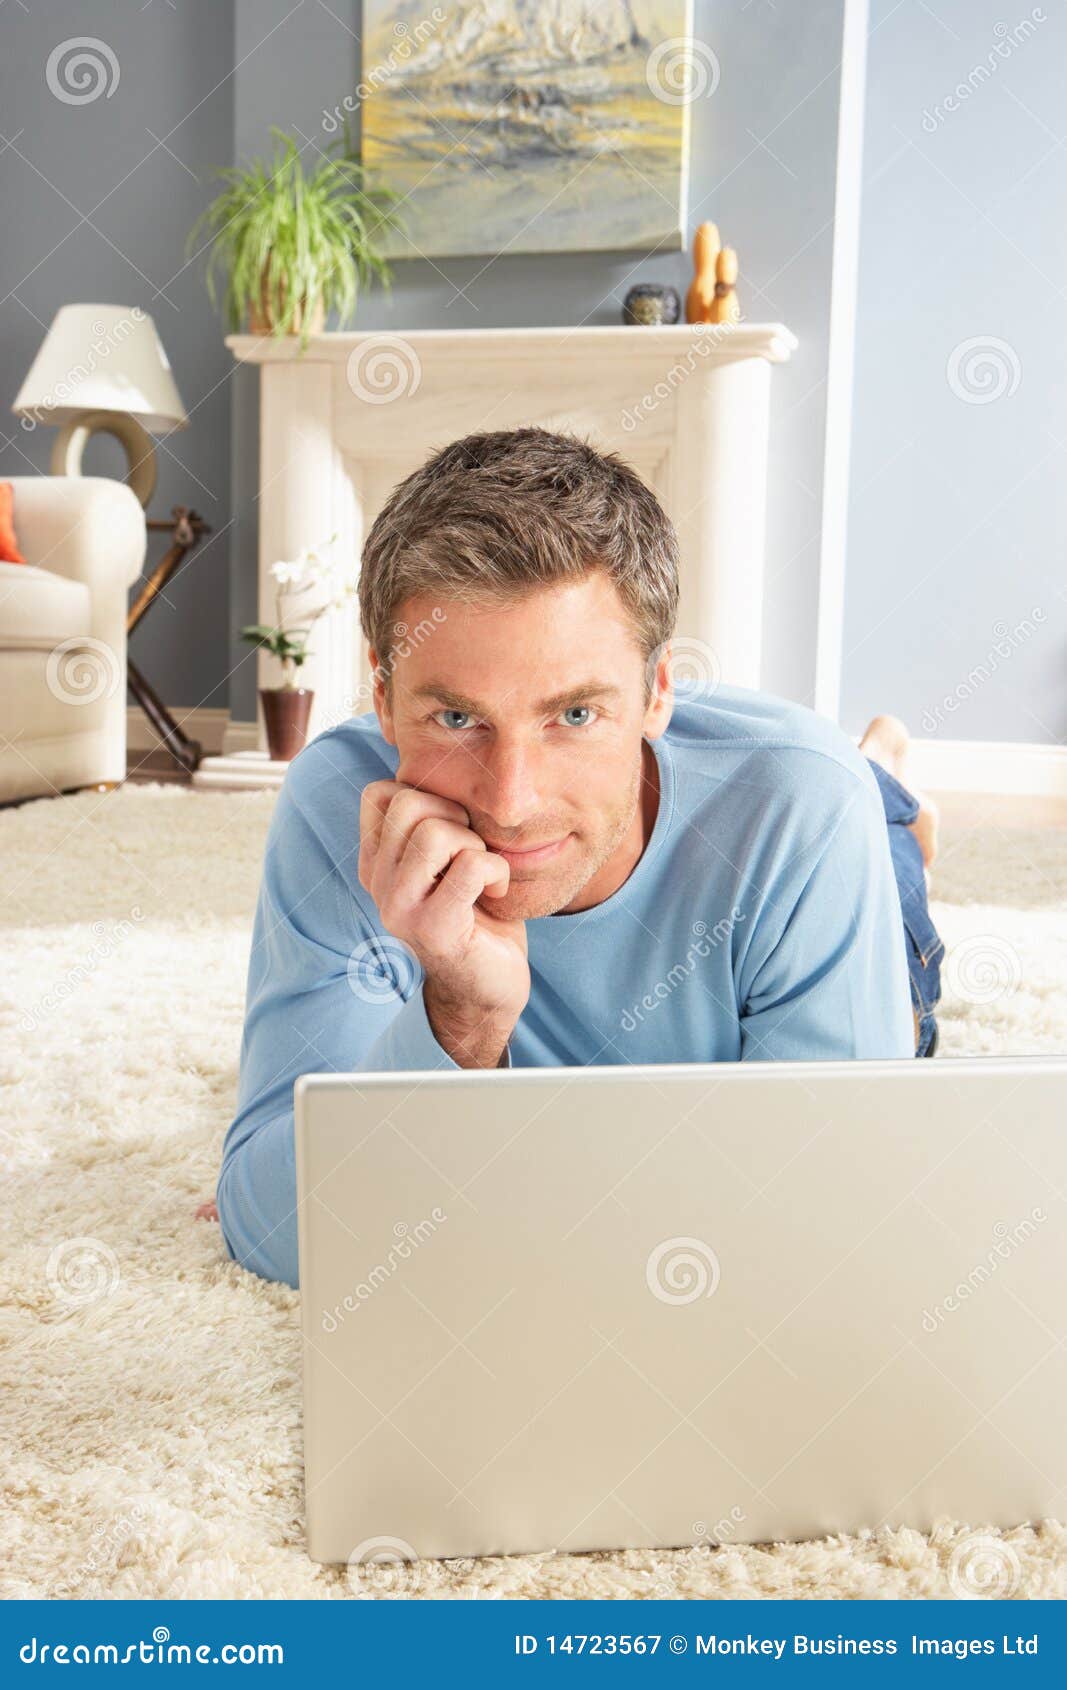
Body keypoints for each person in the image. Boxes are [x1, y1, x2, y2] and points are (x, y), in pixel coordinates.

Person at [210, 428, 944, 1287]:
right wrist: (461, 1021)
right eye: (456, 718)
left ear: (657, 691)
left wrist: (392, 1160)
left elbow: (833, 1213)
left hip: (823, 818)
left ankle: (888, 778)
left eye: (574, 716)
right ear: (381, 694)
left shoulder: (798, 808)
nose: (510, 803)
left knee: (879, 851)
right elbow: (275, 1233)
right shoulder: (340, 803)